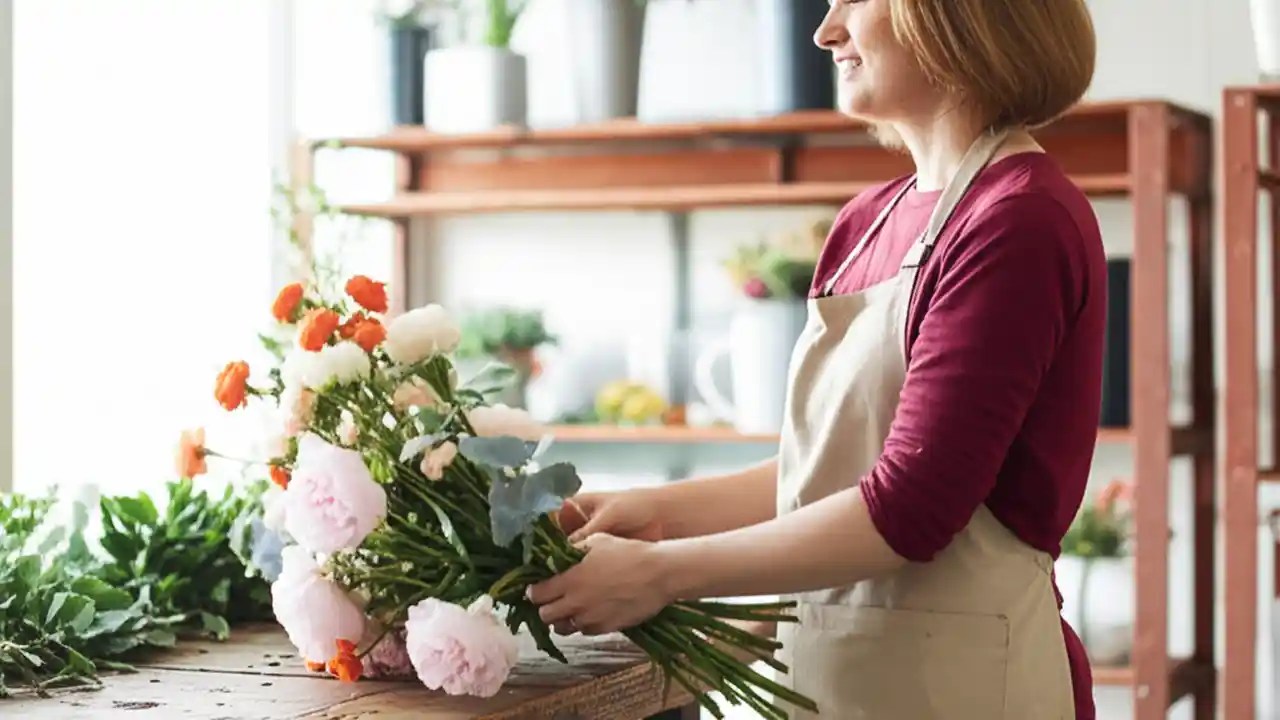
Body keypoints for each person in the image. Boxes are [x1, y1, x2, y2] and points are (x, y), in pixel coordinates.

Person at [528, 0, 1103, 717]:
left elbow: (911, 507)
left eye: (855, 1)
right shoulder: (868, 223)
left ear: (958, 15)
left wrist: (663, 573)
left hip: (970, 687)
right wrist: (656, 510)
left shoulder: (1020, 221)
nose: (826, 31)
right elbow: (829, 471)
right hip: (841, 682)